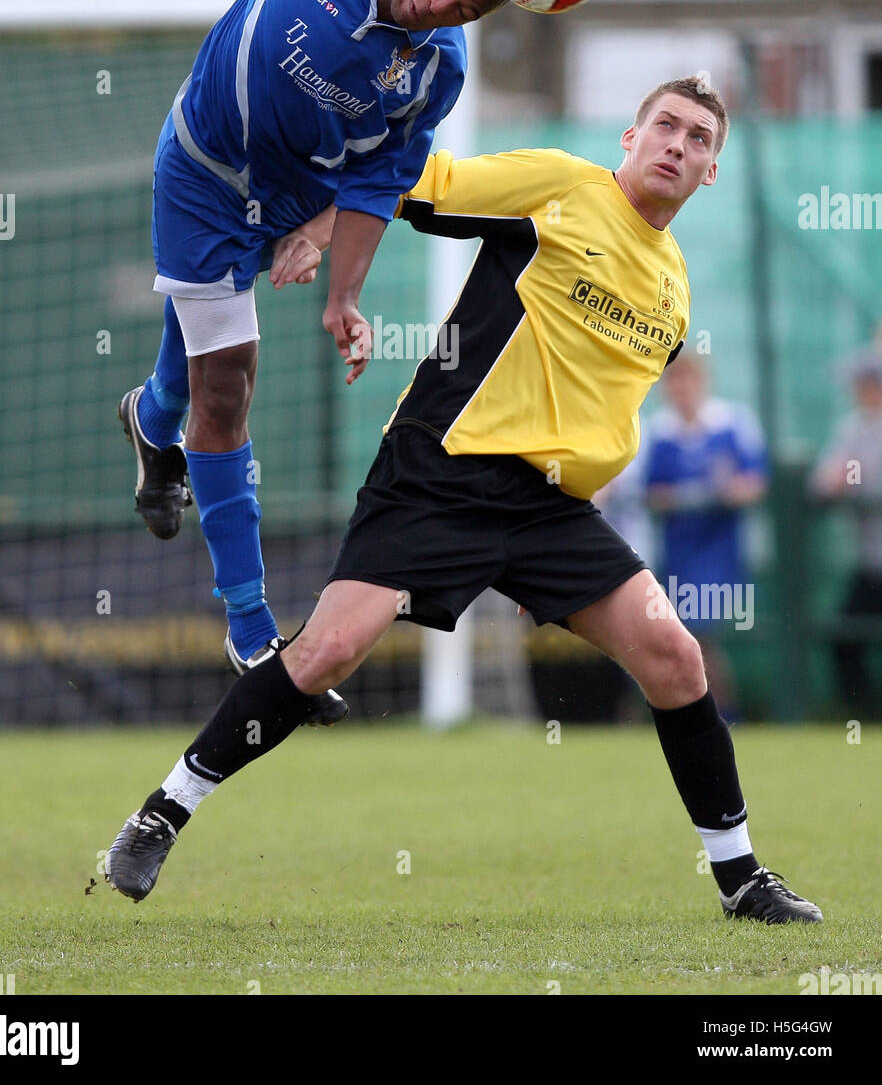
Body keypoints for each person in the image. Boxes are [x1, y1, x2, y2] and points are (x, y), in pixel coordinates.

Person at [105, 76, 822, 925]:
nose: (678, 143)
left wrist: (543, 567)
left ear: (709, 173)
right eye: (664, 125)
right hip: (440, 473)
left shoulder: (673, 288)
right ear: (629, 139)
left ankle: (742, 880)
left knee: (675, 659)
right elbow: (417, 182)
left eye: (699, 138)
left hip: (550, 512)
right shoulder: (561, 188)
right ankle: (162, 811)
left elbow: (600, 410)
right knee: (329, 652)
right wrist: (329, 225)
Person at [118, 0, 505, 717]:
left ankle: (149, 420)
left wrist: (342, 287)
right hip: (204, 180)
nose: (441, 4)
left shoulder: (436, 66)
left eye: (466, 7)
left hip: (296, 202)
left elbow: (380, 177)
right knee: (228, 380)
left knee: (193, 374)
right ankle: (252, 627)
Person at [643, 353, 768, 716]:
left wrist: (727, 493)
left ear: (703, 383)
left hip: (720, 551)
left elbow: (754, 483)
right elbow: (652, 493)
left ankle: (720, 715)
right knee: (687, 637)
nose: (682, 390)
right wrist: (690, 496)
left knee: (698, 635)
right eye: (675, 383)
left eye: (689, 381)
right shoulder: (660, 434)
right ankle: (712, 715)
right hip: (677, 553)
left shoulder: (732, 425)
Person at [810, 348, 882, 715]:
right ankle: (864, 715)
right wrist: (833, 483)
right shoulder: (853, 429)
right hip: (871, 562)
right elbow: (825, 483)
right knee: (845, 638)